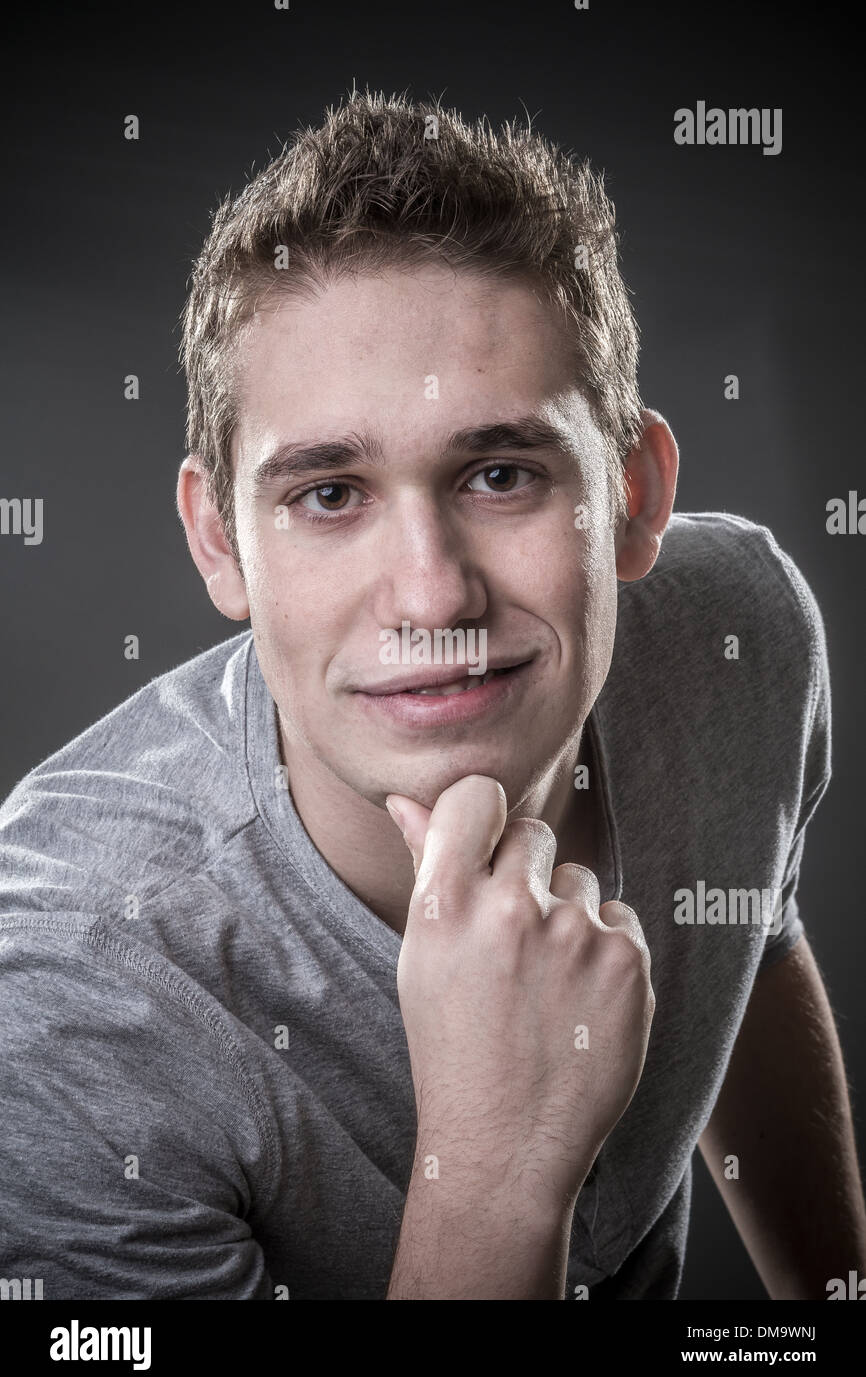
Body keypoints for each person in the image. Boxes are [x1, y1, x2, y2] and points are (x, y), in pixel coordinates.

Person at [1, 87, 863, 1301]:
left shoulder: (736, 628)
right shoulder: (59, 1009)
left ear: (631, 495)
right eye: (329, 494)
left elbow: (746, 940)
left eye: (500, 473)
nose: (431, 594)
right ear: (218, 541)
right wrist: (498, 1164)